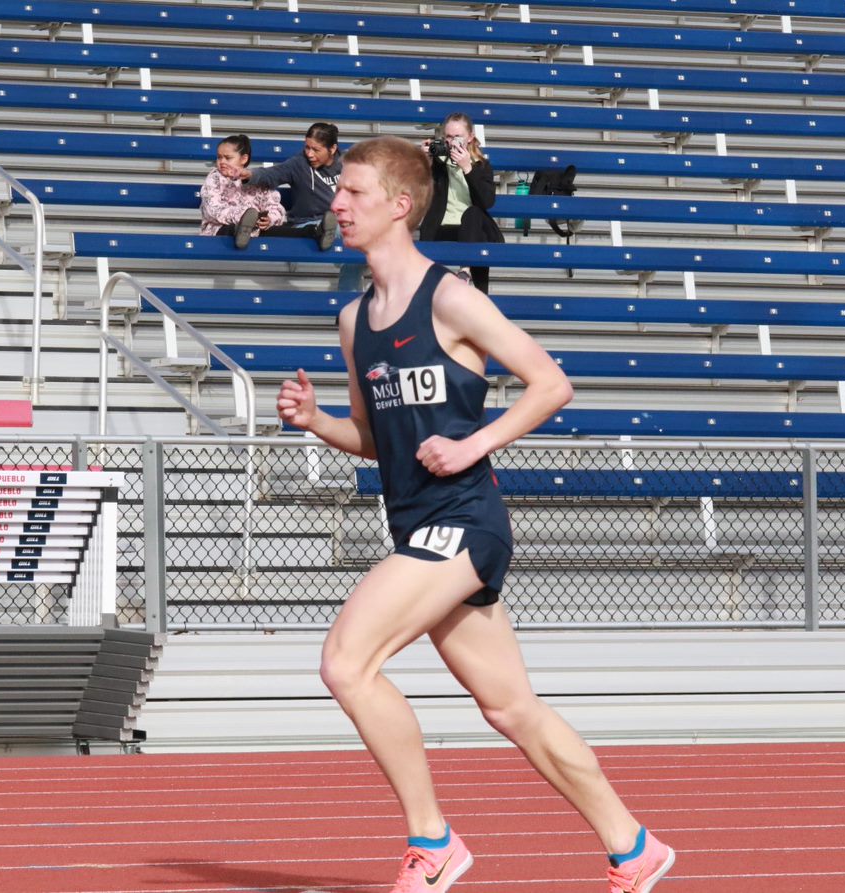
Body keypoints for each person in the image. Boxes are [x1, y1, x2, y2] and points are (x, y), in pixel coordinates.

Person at [275, 136, 674, 893]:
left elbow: (550, 383)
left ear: (399, 205)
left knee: (346, 662)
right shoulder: (354, 320)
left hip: (466, 519)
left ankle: (434, 840)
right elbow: (377, 439)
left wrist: (475, 445)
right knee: (511, 707)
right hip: (417, 525)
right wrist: (320, 421)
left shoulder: (452, 297)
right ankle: (634, 846)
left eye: (354, 192)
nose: (338, 203)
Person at [220, 121, 342, 251]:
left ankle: (348, 269)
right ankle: (323, 231)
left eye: (316, 150)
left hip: (341, 221)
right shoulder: (299, 164)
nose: (309, 154)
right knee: (351, 232)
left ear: (332, 149)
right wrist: (249, 174)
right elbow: (272, 174)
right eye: (307, 147)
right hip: (308, 224)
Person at [420, 112, 503, 294]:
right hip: (443, 228)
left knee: (472, 215)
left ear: (470, 138)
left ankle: (466, 272)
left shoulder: (481, 165)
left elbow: (487, 202)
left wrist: (467, 168)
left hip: (473, 229)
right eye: (448, 137)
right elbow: (416, 190)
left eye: (458, 137)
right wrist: (424, 162)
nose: (452, 142)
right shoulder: (437, 164)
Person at [199, 134, 287, 250]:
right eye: (219, 157)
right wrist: (242, 217)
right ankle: (241, 230)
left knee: (284, 232)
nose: (222, 162)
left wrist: (269, 219)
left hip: (257, 229)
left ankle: (313, 231)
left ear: (243, 159)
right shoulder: (215, 178)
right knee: (230, 229)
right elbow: (213, 210)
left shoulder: (256, 179)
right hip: (220, 228)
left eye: (228, 158)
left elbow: (275, 206)